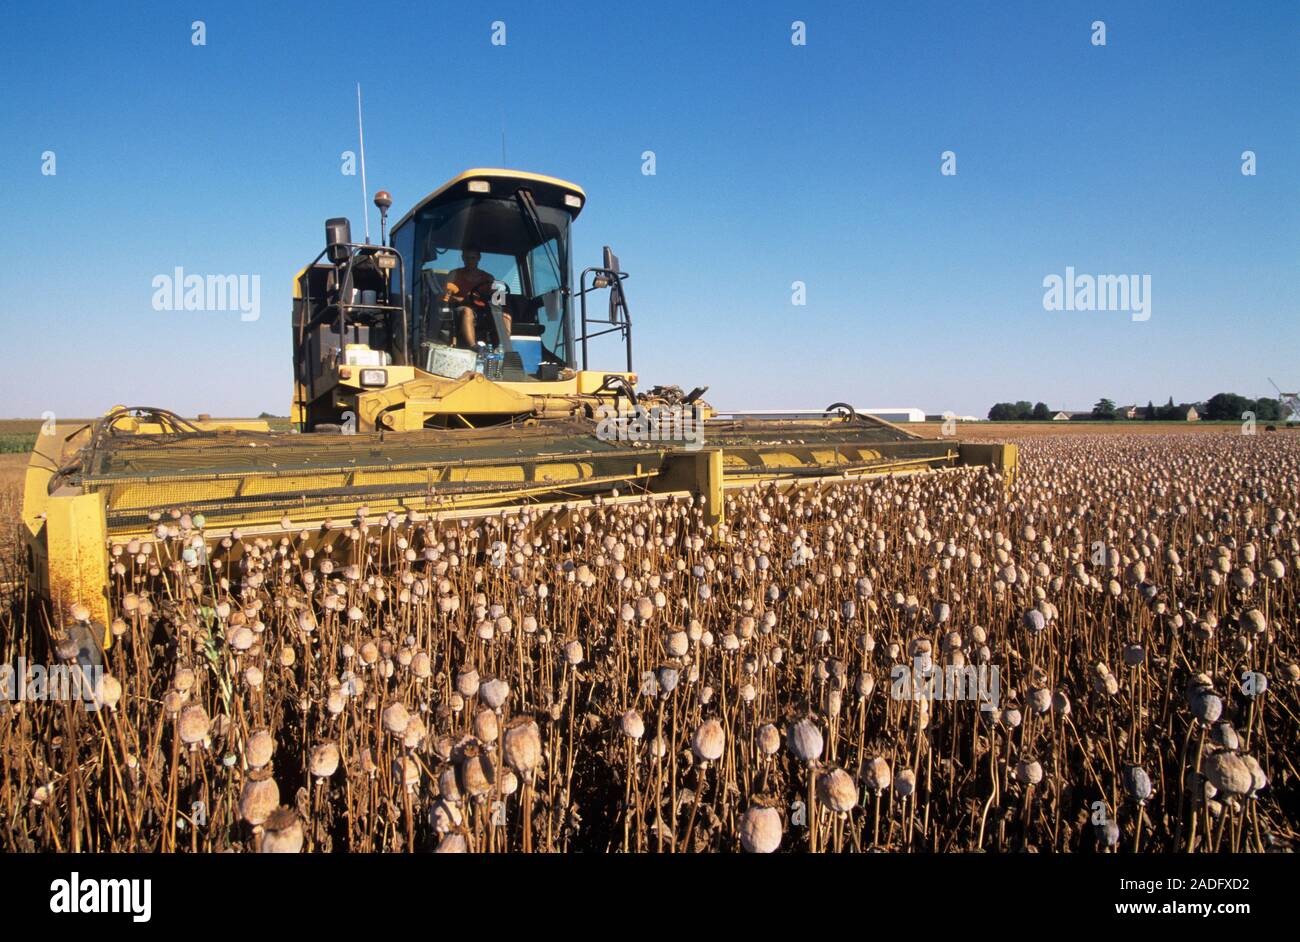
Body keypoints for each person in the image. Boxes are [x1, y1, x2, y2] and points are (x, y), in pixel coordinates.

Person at [444, 249, 510, 348]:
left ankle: (503, 347)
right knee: (467, 311)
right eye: (467, 258)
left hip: (483, 311)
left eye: (473, 258)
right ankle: (474, 347)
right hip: (460, 309)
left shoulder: (488, 278)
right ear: (463, 258)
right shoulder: (454, 274)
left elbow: (497, 298)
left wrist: (496, 296)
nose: (470, 261)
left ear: (479, 258)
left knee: (505, 315)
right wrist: (463, 300)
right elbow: (444, 297)